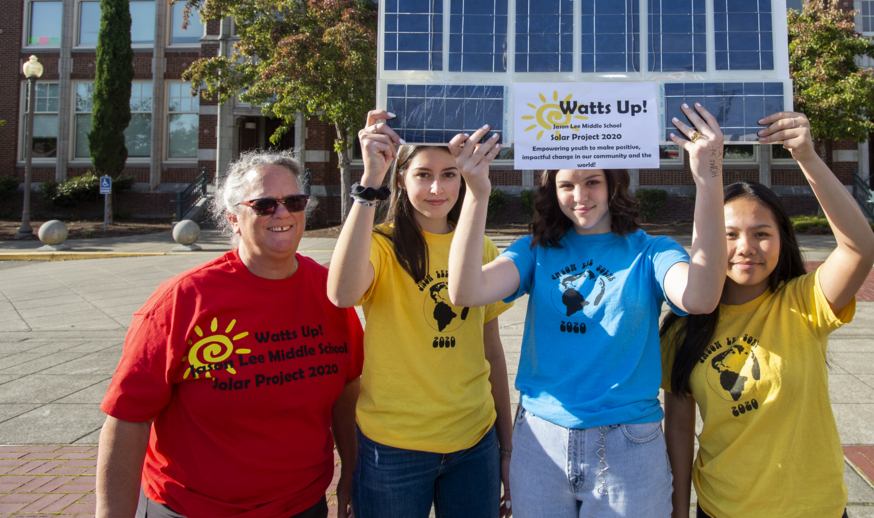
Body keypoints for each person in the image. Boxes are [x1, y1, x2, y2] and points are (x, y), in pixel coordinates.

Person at [446, 104, 730, 518]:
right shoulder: (535, 251)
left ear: (614, 184)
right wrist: (476, 191)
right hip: (540, 441)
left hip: (629, 445)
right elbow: (466, 290)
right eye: (567, 185)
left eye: (592, 182)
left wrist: (708, 180)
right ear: (552, 189)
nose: (580, 197)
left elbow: (701, 297)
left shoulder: (652, 252)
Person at [96, 151, 363, 518]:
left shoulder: (332, 293)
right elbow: (128, 417)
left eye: (294, 202)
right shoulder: (182, 300)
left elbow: (348, 388)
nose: (282, 213)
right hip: (191, 508)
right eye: (264, 204)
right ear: (234, 219)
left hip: (302, 506)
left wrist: (352, 468)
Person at [660, 112, 874, 518]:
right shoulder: (680, 330)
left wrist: (807, 156)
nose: (747, 247)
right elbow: (678, 430)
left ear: (782, 240)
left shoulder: (805, 303)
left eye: (762, 233)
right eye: (729, 235)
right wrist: (677, 510)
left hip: (816, 508)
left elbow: (859, 249)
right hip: (723, 508)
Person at [326, 109, 513, 518]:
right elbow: (341, 294)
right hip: (392, 448)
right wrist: (370, 178)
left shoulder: (479, 248)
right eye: (423, 174)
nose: (436, 188)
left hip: (474, 441)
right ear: (401, 179)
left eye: (449, 174)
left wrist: (506, 445)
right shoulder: (379, 244)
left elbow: (492, 352)